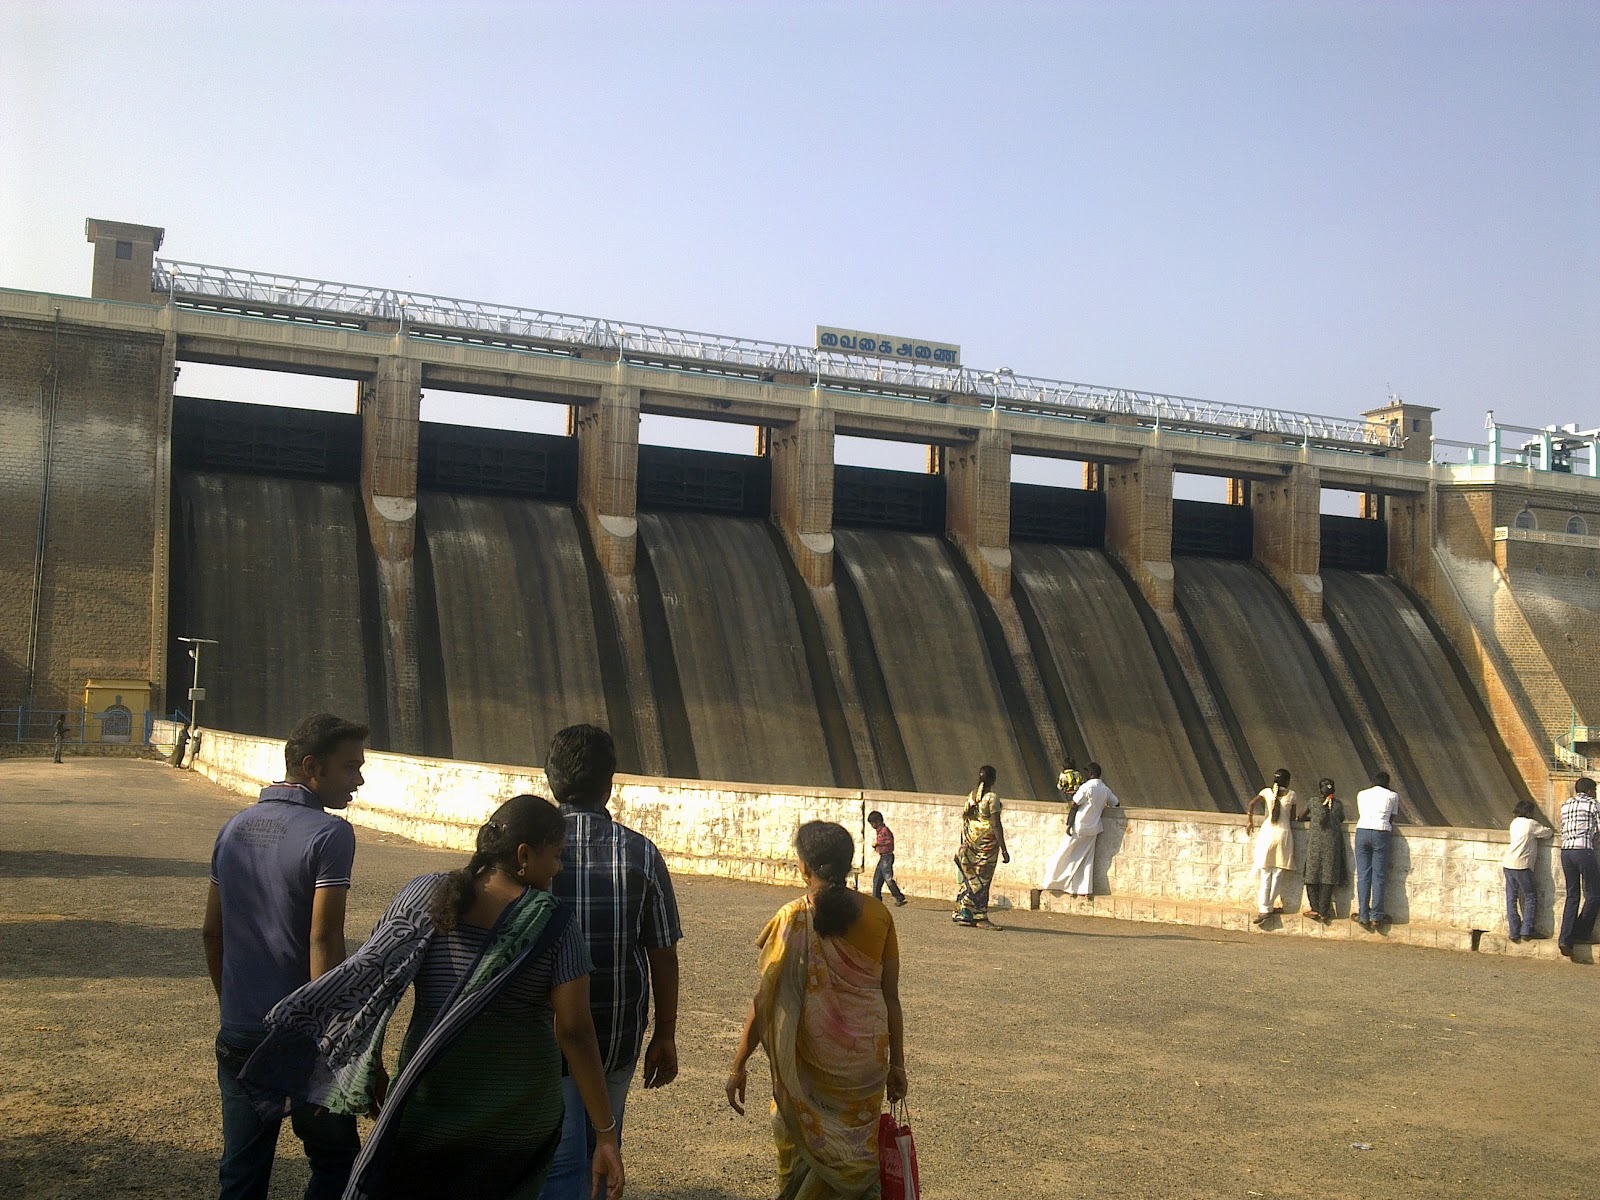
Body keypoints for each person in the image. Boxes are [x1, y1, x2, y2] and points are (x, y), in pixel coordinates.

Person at [239, 794, 625, 1200]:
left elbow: (372, 979)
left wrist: (366, 1066)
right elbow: (576, 1031)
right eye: (557, 855)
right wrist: (605, 1134)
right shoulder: (555, 921)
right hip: (517, 1122)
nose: (560, 867)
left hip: (427, 1108)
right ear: (524, 855)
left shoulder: (424, 894)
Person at [201, 713, 368, 1200]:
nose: (359, 778)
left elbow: (213, 933)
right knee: (337, 1161)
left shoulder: (232, 829)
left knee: (242, 1171)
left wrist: (233, 1005)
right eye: (349, 767)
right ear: (312, 767)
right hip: (304, 1040)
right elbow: (324, 941)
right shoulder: (330, 834)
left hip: (239, 1032)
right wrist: (337, 1032)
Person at [725, 821, 907, 1200]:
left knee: (801, 1141)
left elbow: (765, 999)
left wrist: (738, 1063)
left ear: (803, 866)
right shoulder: (879, 915)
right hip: (865, 1065)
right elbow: (891, 996)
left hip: (809, 1063)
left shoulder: (792, 918)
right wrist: (898, 1065)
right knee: (856, 1152)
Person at [540, 724, 681, 1200]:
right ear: (610, 783)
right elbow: (663, 953)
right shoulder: (641, 854)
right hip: (614, 1039)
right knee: (603, 1152)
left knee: (553, 1161)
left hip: (540, 1040)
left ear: (550, 779)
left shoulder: (524, 853)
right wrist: (665, 1033)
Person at [1039, 761, 1120, 897]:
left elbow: (1075, 804)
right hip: (1093, 828)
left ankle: (1051, 882)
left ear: (1091, 773)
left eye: (1088, 772)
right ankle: (1083, 889)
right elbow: (1116, 803)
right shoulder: (1105, 789)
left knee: (1064, 853)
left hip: (1079, 826)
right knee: (1087, 859)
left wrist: (1069, 824)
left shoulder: (1086, 787)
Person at [952, 764, 1009, 929]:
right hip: (986, 846)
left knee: (970, 879)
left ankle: (962, 913)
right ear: (994, 779)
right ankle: (980, 917)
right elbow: (996, 824)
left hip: (970, 844)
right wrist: (1004, 849)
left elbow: (967, 819)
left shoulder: (972, 796)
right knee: (982, 881)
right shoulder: (992, 798)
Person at [1246, 768, 1297, 925]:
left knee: (1265, 872)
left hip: (1267, 833)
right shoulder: (1292, 795)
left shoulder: (1267, 792)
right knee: (1277, 873)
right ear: (1287, 781)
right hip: (1283, 834)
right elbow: (1293, 818)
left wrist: (1250, 820)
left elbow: (1251, 803)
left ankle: (1264, 908)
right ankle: (1269, 906)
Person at [1353, 771, 1401, 931]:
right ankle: (1377, 916)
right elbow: (1391, 819)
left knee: (1363, 875)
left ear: (1372, 782)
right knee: (1379, 875)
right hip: (1381, 832)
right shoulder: (1392, 796)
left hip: (1362, 831)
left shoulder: (1361, 794)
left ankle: (1363, 915)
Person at [1558, 777, 1600, 958]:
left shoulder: (1566, 805)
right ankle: (1581, 932)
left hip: (1566, 852)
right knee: (1594, 893)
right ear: (1590, 791)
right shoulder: (1593, 804)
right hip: (1584, 850)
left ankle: (1565, 938)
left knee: (1572, 895)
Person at [1503, 798, 1553, 943]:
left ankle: (1514, 931)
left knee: (1511, 898)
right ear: (1530, 812)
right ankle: (1527, 930)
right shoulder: (1531, 824)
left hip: (1508, 863)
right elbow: (1547, 833)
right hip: (1522, 865)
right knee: (1530, 896)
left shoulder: (1514, 823)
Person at [1300, 778, 1348, 923]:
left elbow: (1301, 817)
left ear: (1320, 790)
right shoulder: (1338, 805)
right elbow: (1340, 818)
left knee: (1311, 876)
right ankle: (1324, 911)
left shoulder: (1313, 802)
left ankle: (1315, 907)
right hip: (1332, 845)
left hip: (1315, 845)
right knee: (1328, 877)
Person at [867, 810, 907, 906]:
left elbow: (889, 841)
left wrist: (878, 844)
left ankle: (899, 896)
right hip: (882, 857)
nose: (872, 826)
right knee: (877, 879)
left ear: (878, 822)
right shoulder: (880, 831)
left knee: (888, 878)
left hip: (887, 857)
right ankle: (876, 900)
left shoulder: (884, 830)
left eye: (872, 823)